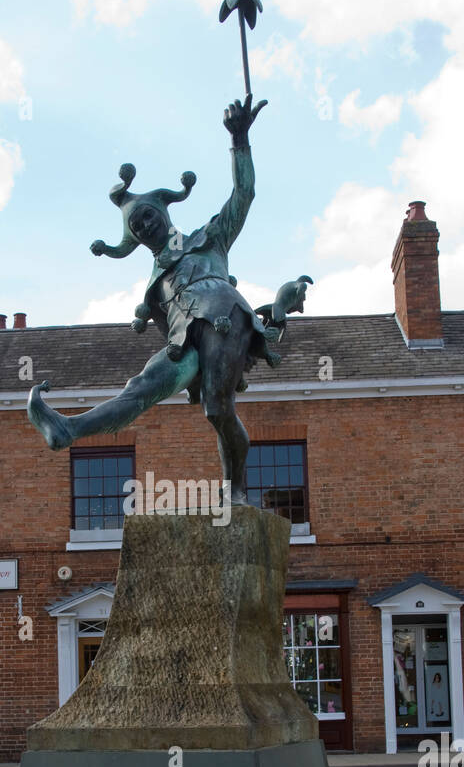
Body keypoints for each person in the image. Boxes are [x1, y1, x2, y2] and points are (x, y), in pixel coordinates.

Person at [26, 95, 310, 504]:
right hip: (185, 341)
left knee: (216, 409)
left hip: (224, 317)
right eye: (136, 225)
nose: (143, 224)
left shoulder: (208, 239)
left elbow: (243, 194)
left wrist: (240, 141)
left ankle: (235, 489)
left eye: (146, 215)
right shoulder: (155, 285)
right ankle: (68, 430)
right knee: (140, 388)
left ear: (164, 212)